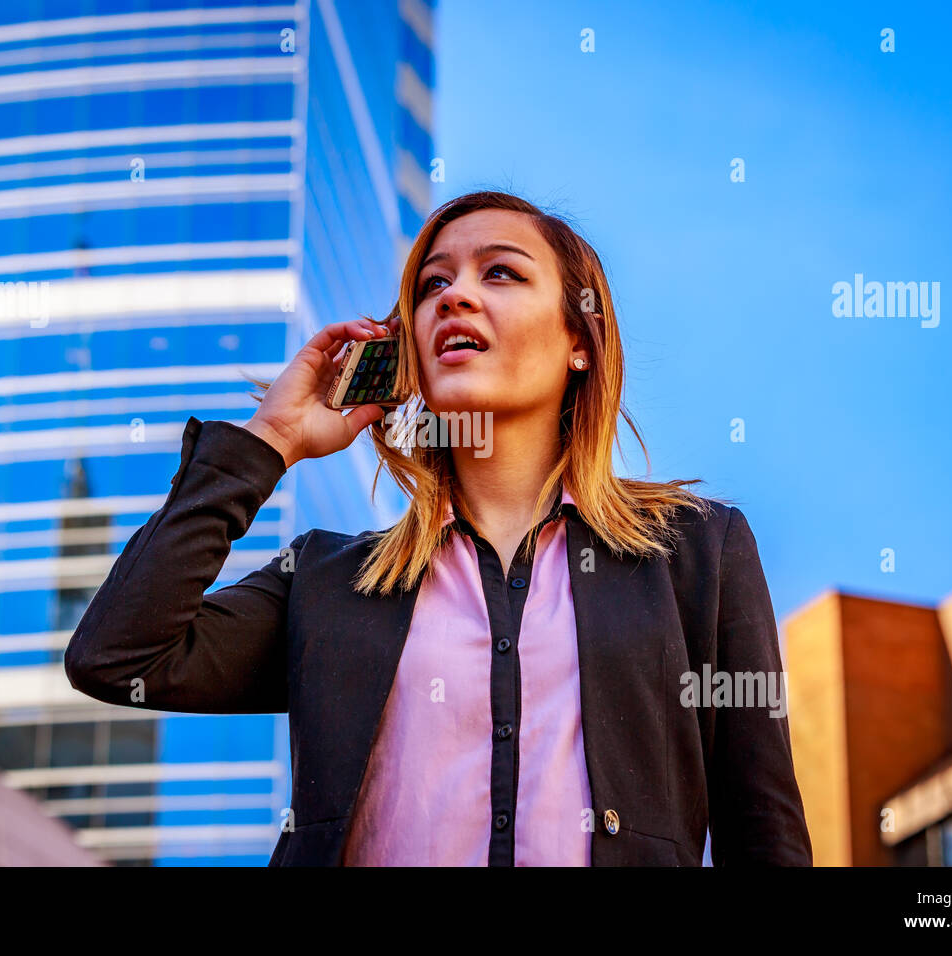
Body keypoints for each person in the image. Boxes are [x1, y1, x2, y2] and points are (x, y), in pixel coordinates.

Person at [65, 190, 813, 866]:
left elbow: (766, 834)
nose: (456, 295)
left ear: (579, 340)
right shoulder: (328, 580)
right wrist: (272, 439)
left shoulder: (696, 555)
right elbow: (117, 656)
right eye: (433, 285)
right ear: (410, 358)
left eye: (500, 274)